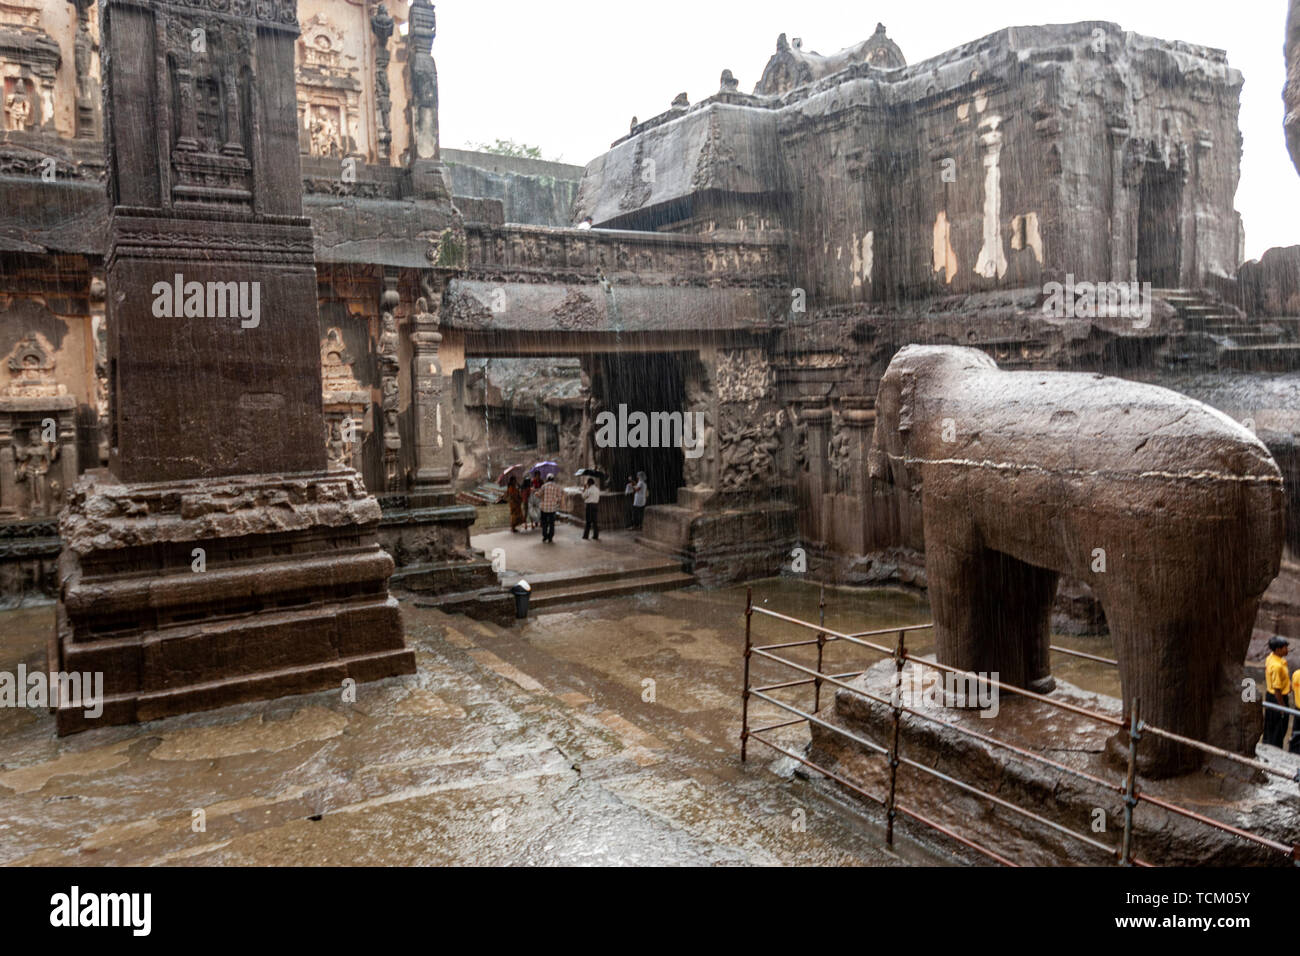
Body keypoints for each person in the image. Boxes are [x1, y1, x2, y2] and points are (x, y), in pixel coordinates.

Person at [1263, 636, 1291, 748]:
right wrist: (1282, 707)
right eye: (1285, 648)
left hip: (1272, 696)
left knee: (1270, 725)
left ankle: (1268, 744)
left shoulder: (1271, 658)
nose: (1287, 650)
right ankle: (1274, 748)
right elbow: (1277, 689)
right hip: (1277, 698)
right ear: (1278, 650)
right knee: (1278, 727)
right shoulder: (1276, 666)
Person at [538, 473, 564, 543]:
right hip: (552, 508)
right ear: (553, 479)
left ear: (547, 479)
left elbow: (539, 494)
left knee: (544, 523)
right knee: (552, 523)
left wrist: (536, 492)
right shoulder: (557, 487)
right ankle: (550, 537)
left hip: (544, 508)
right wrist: (555, 501)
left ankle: (545, 536)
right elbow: (560, 497)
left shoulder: (544, 486)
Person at [581, 476, 601, 540]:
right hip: (595, 505)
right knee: (595, 521)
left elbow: (583, 496)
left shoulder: (589, 490)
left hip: (589, 506)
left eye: (587, 483)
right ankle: (596, 535)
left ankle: (586, 536)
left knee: (588, 521)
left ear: (589, 483)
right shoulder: (597, 489)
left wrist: (584, 489)